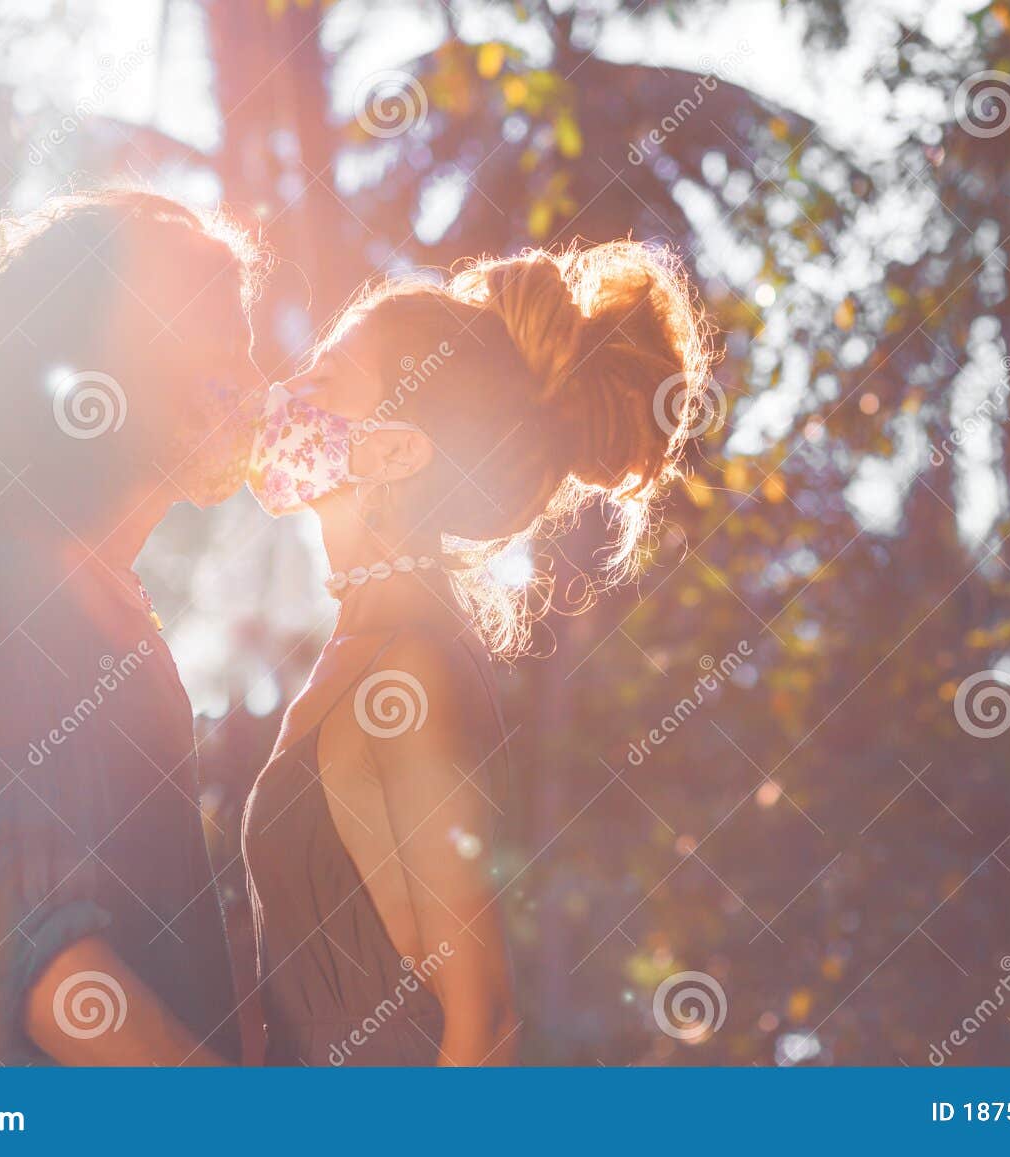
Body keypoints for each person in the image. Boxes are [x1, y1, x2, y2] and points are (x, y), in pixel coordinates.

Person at [242, 239, 715, 1065]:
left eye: (326, 377)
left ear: (394, 451)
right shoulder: (366, 645)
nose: (288, 390)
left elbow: (484, 1017)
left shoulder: (411, 669)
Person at [0, 190, 265, 1065]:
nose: (249, 369)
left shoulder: (126, 622)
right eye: (210, 321)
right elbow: (31, 951)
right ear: (85, 350)